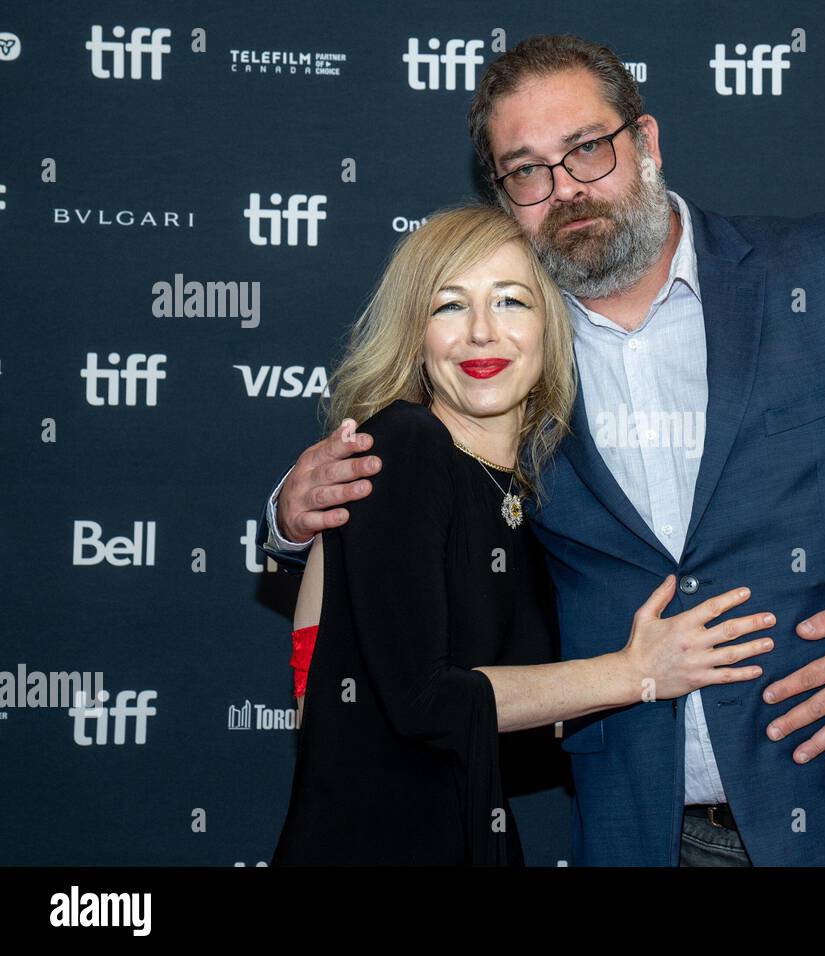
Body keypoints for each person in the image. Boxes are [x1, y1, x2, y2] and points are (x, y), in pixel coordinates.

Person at [261, 34, 825, 866]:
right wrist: (296, 518)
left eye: (587, 149)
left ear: (646, 143)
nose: (566, 188)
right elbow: (427, 543)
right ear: (506, 195)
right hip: (645, 834)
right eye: (528, 170)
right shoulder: (512, 357)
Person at [271, 202, 774, 865]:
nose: (482, 332)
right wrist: (635, 673)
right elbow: (423, 699)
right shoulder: (404, 444)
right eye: (449, 306)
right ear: (416, 334)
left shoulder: (539, 492)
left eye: (510, 301)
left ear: (552, 323)